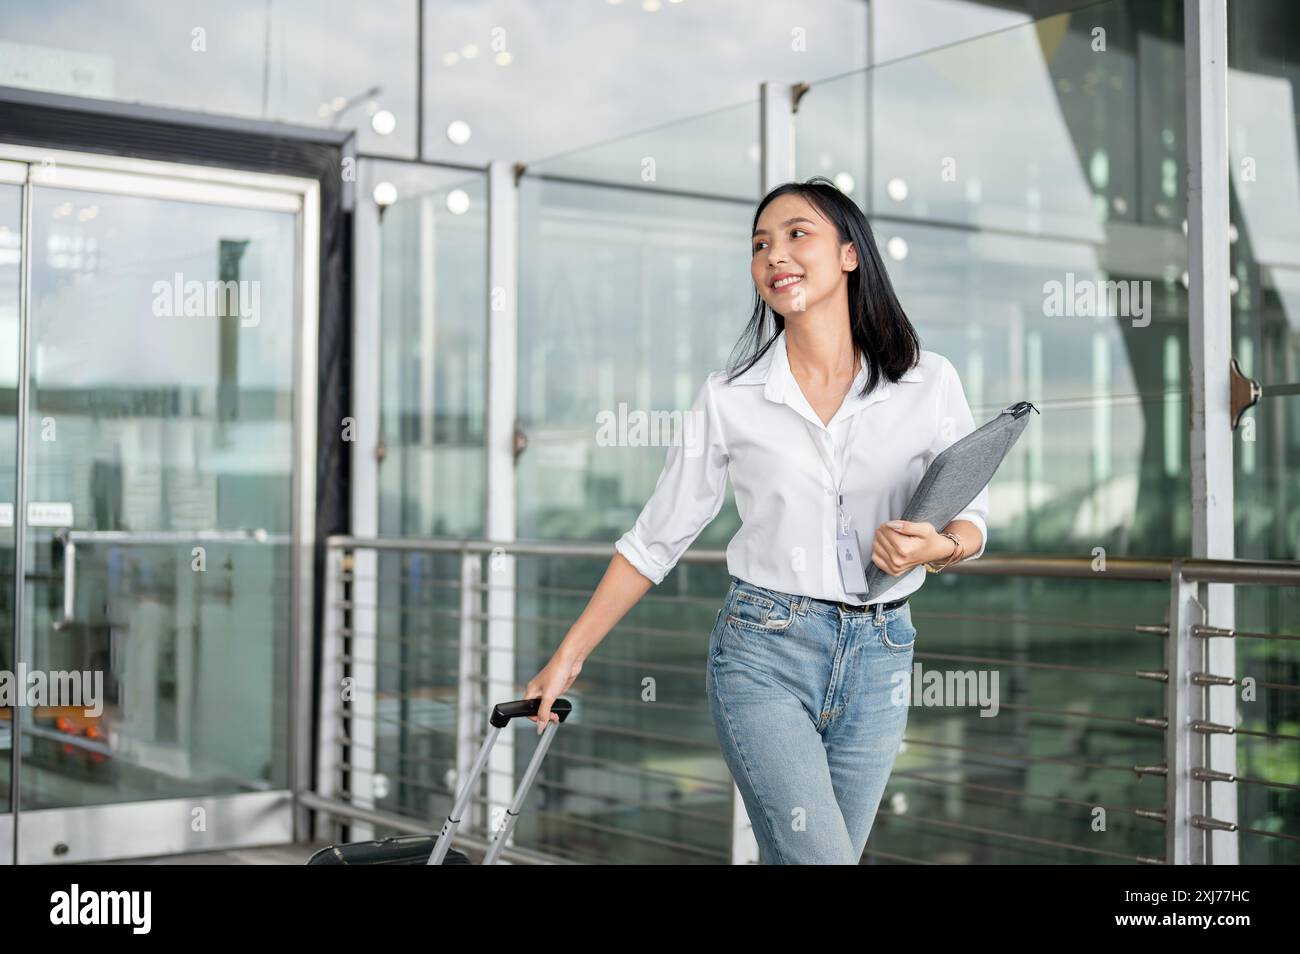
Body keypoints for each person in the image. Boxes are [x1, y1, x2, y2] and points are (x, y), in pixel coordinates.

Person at [523, 175, 990, 864]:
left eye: (798, 234)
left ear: (850, 254)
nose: (775, 255)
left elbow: (973, 517)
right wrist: (570, 654)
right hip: (763, 653)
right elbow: (655, 539)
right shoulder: (730, 397)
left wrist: (937, 547)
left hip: (883, 655)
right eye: (760, 245)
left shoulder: (927, 381)